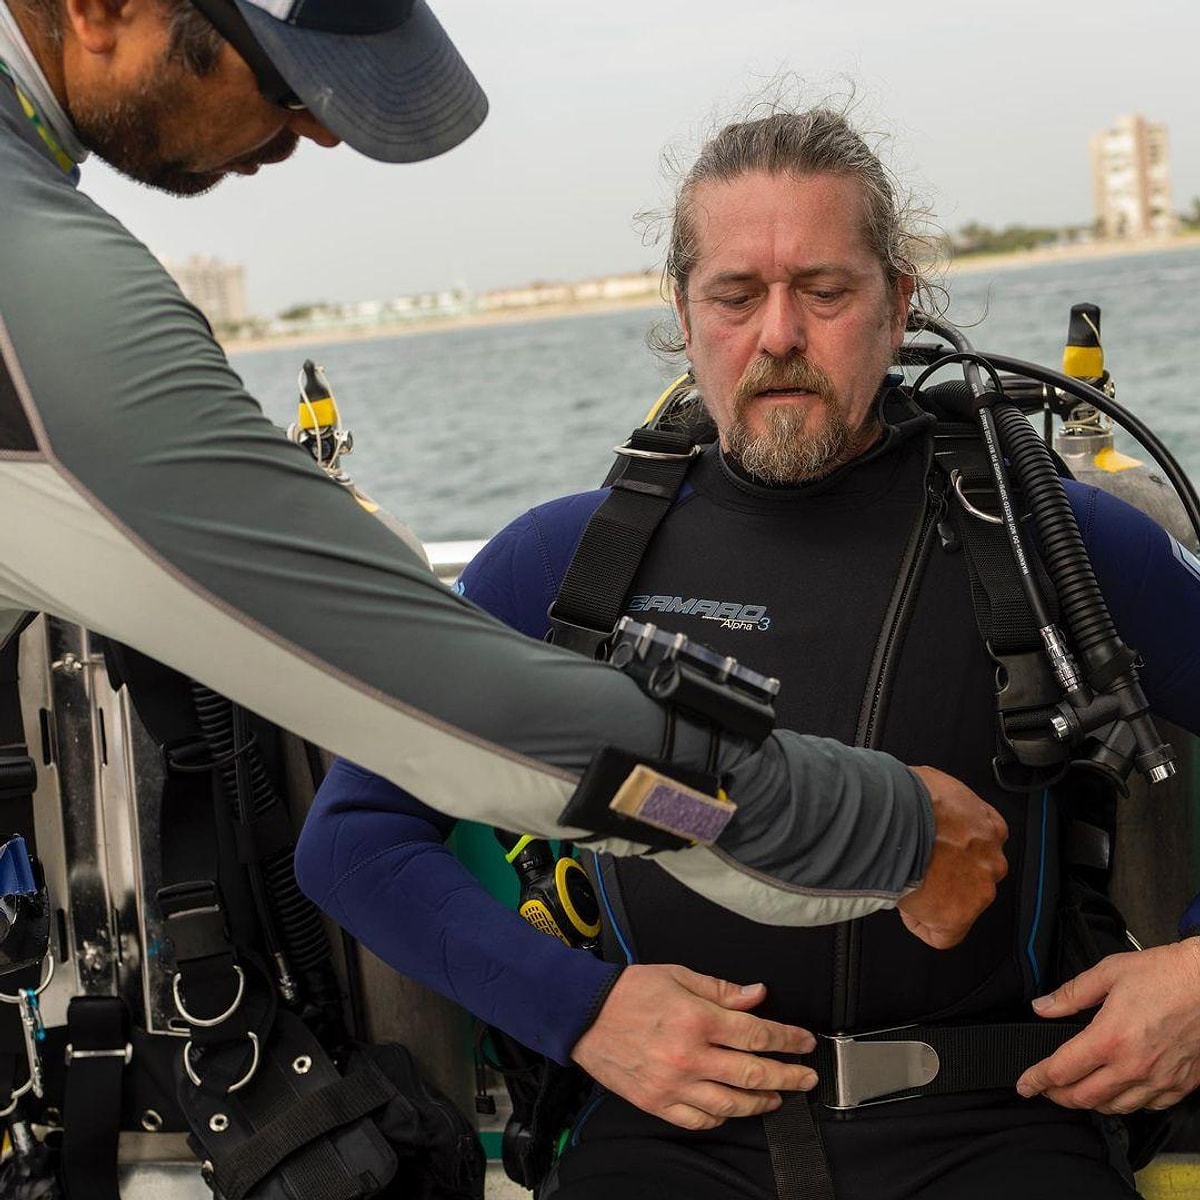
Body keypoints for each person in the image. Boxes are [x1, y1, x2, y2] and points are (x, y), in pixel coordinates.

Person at [297, 107, 1200, 1199]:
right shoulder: (566, 562)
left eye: (824, 291)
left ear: (898, 303)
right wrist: (581, 1014)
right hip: (668, 1129)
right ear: (682, 313)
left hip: (999, 1121)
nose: (778, 333)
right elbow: (353, 837)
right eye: (734, 295)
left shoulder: (1051, 542)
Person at [0, 3, 1008, 932]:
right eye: (288, 80)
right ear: (100, 8)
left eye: (826, 288)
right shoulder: (41, 289)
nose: (321, 131)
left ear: (899, 299)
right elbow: (431, 697)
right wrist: (883, 827)